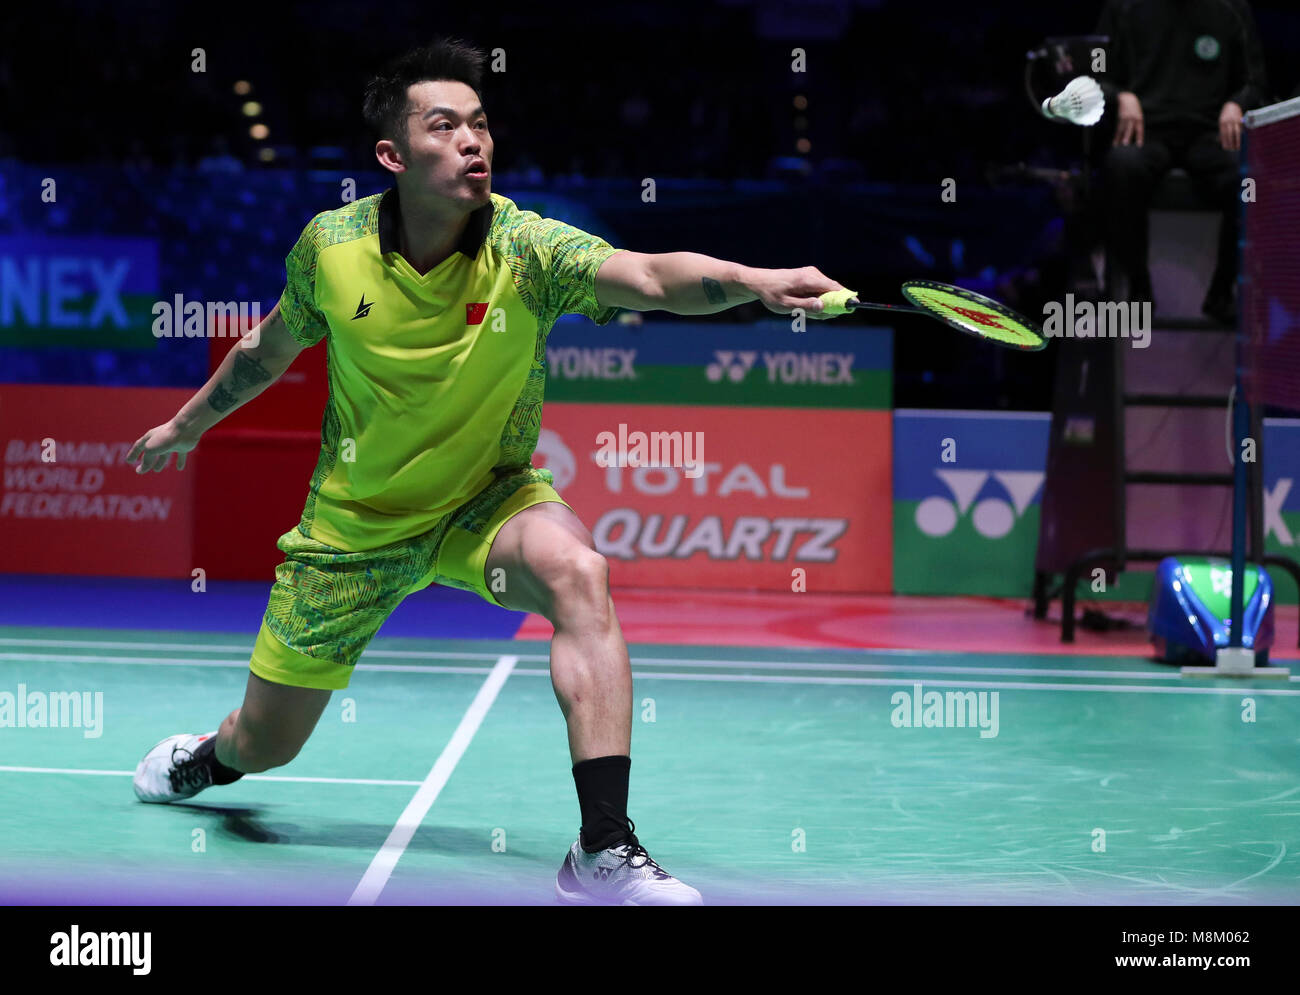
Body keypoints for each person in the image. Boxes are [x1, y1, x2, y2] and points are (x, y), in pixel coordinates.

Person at [126, 37, 848, 906]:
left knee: (580, 573)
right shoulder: (331, 247)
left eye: (481, 123)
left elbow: (652, 278)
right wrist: (186, 423)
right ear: (392, 155)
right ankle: (208, 758)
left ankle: (603, 850)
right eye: (446, 125)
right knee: (264, 744)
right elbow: (266, 347)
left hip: (487, 503)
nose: (474, 141)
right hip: (353, 530)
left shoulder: (528, 249)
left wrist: (753, 280)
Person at [1095, 0, 1268, 323]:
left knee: (1250, 182)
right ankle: (1138, 287)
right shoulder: (1121, 7)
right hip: (1145, 132)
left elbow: (1254, 81)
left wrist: (1236, 103)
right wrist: (1118, 94)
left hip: (1209, 135)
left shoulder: (1233, 8)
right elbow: (1096, 68)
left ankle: (1222, 291)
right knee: (1121, 166)